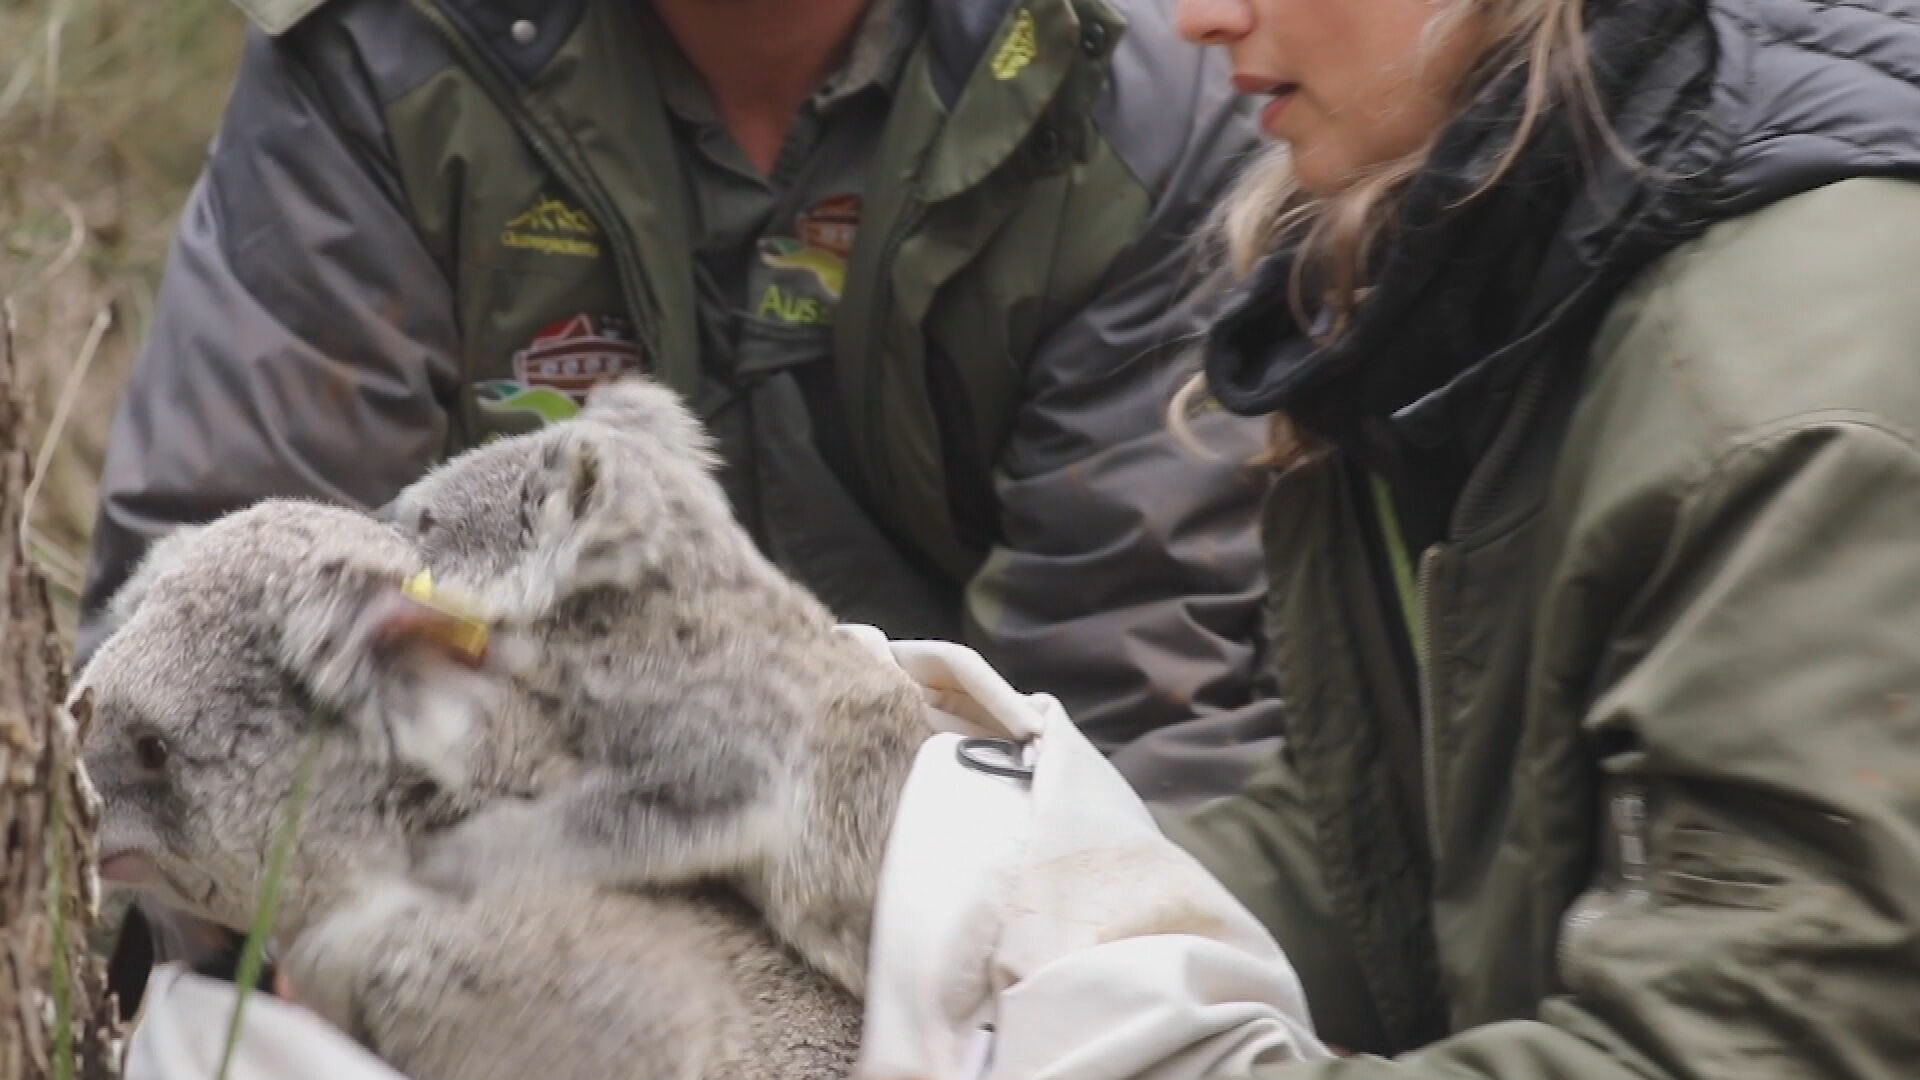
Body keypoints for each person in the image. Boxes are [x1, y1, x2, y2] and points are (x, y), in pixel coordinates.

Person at [80, 0, 1278, 1013]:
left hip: (959, 922)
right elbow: (202, 663)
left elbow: (1148, 718)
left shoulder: (1134, 84)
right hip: (479, 925)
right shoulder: (379, 60)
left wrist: (996, 1011)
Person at [1152, 0, 1920, 1072]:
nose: (1198, 18)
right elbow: (1390, 852)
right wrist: (1006, 903)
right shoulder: (1456, 273)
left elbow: (1755, 1042)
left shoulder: (1787, 399)